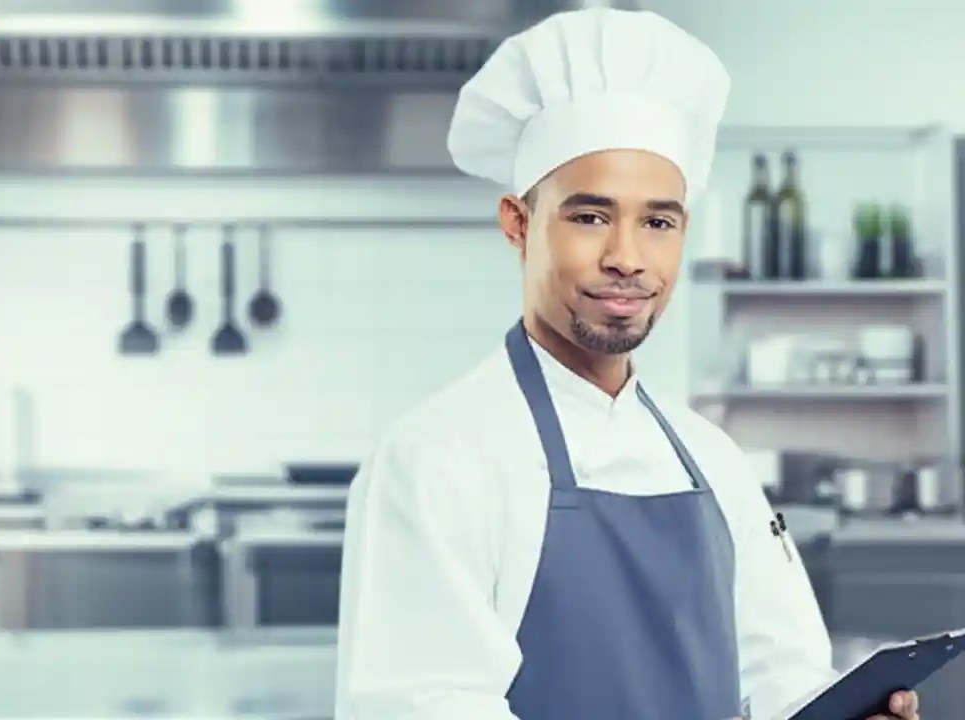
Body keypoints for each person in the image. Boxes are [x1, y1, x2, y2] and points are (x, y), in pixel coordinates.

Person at [333, 8, 920, 720]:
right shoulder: (437, 458)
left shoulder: (714, 460)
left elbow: (782, 676)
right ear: (518, 225)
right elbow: (424, 705)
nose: (627, 258)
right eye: (589, 217)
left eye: (657, 222)